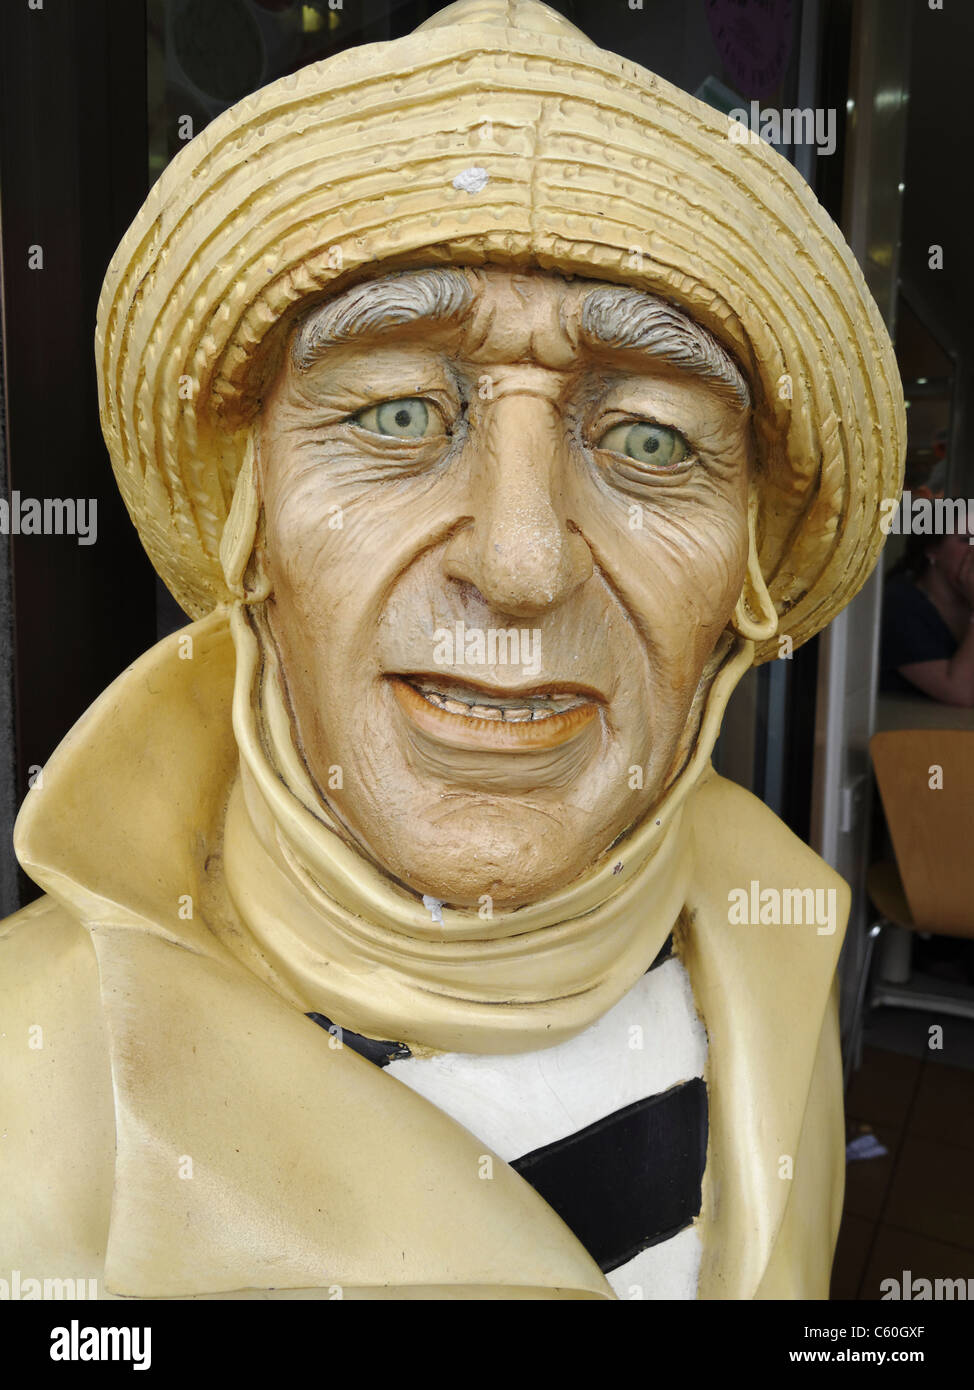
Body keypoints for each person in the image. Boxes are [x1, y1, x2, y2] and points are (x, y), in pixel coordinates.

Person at [0, 0, 904, 1300]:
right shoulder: (32, 1077)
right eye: (396, 410)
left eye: (648, 437)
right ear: (252, 516)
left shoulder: (769, 938)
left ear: (750, 576)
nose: (522, 559)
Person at [881, 524, 974, 704]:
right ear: (932, 549)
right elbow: (962, 693)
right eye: (966, 539)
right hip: (904, 727)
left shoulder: (967, 601)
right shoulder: (898, 605)